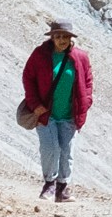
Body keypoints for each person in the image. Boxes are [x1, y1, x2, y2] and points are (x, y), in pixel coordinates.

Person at [20, 22, 93, 201]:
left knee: (67, 151)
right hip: (46, 113)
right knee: (50, 148)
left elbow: (88, 81)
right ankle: (49, 184)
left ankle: (63, 189)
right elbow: (28, 78)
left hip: (70, 115)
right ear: (52, 38)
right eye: (58, 36)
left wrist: (86, 102)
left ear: (71, 39)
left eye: (65, 37)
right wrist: (34, 103)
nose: (62, 40)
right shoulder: (40, 55)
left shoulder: (80, 57)